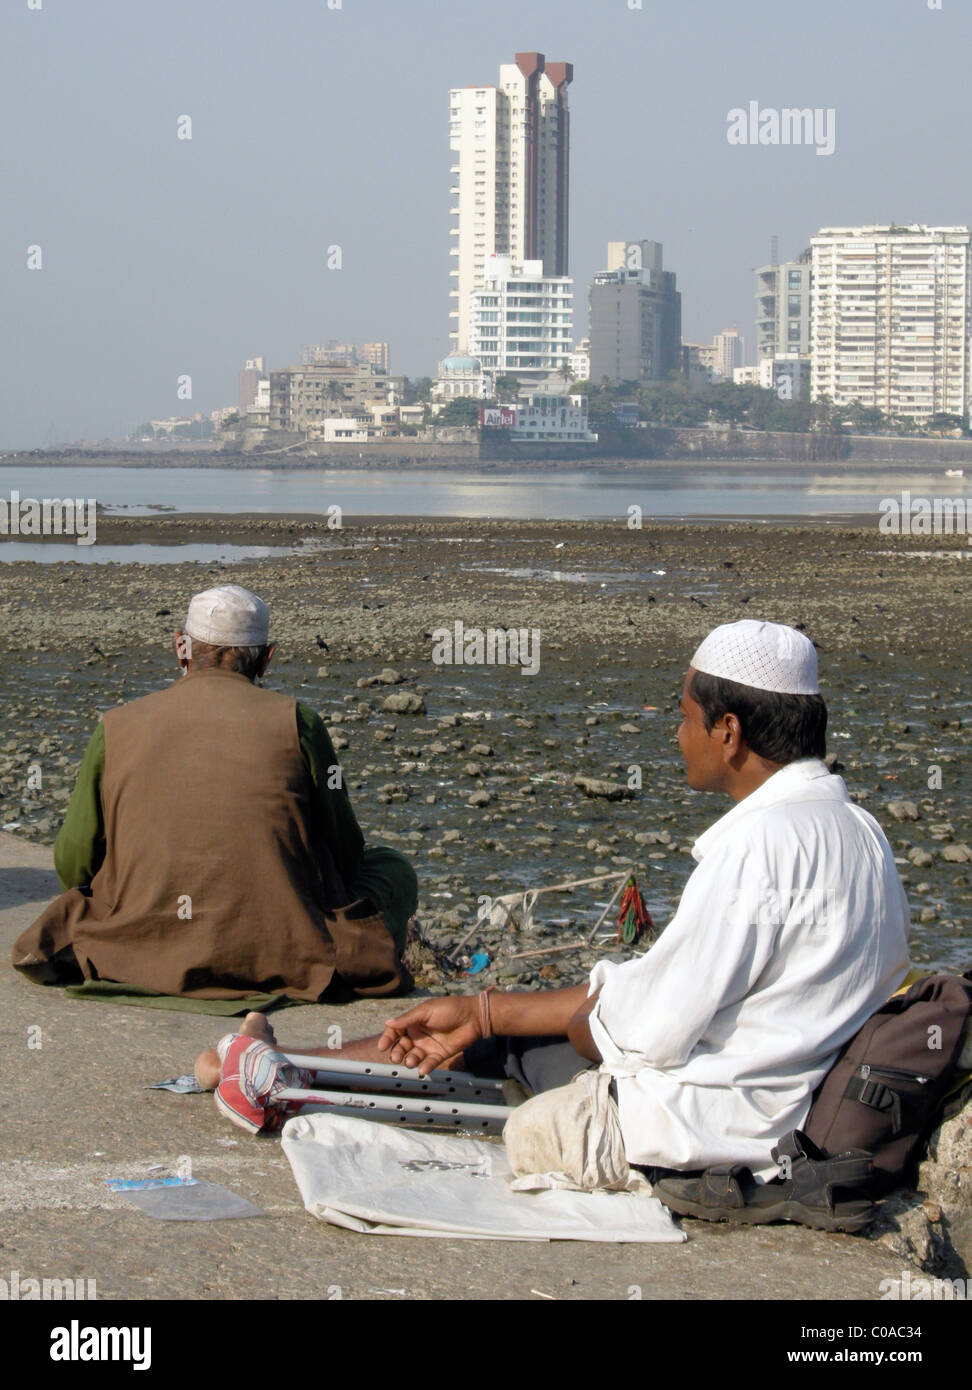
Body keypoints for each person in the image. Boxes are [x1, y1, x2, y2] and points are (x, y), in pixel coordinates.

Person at [196, 619, 911, 1188]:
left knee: (501, 1055)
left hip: (707, 1126)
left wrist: (497, 1019)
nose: (677, 734)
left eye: (686, 715)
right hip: (784, 1104)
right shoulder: (859, 832)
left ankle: (279, 1075)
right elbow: (667, 993)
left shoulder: (758, 845)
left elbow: (644, 1030)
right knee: (501, 1028)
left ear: (729, 732)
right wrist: (485, 1007)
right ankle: (283, 1063)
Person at [12, 584, 417, 1000]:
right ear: (268, 657)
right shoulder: (300, 723)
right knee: (393, 870)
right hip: (282, 950)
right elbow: (347, 851)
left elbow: (73, 859)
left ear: (180, 647)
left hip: (135, 944)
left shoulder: (116, 726)